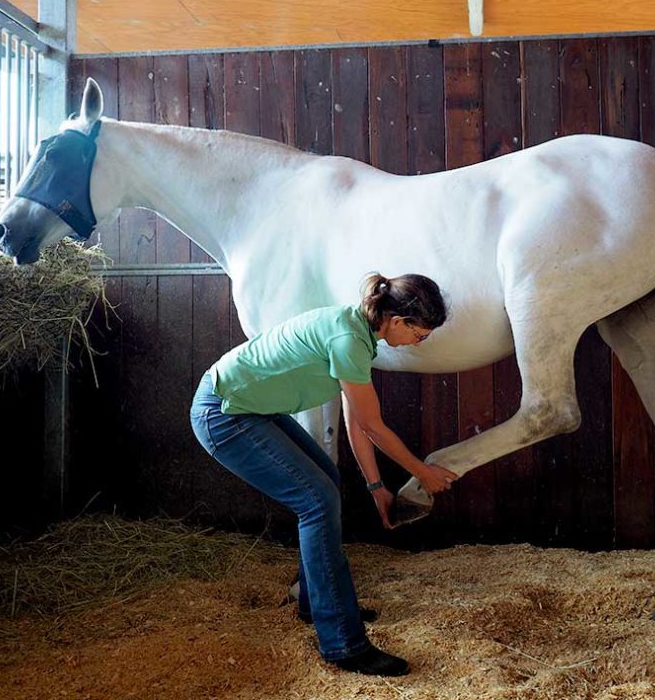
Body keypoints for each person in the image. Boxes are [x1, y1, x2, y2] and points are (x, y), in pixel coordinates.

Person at [189, 273, 458, 676]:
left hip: (249, 409)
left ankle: (316, 603)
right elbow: (373, 425)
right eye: (420, 335)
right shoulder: (348, 340)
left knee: (325, 484)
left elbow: (357, 423)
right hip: (224, 414)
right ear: (398, 321)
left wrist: (377, 488)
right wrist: (422, 471)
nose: (421, 344)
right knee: (316, 502)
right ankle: (344, 644)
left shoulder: (357, 335)